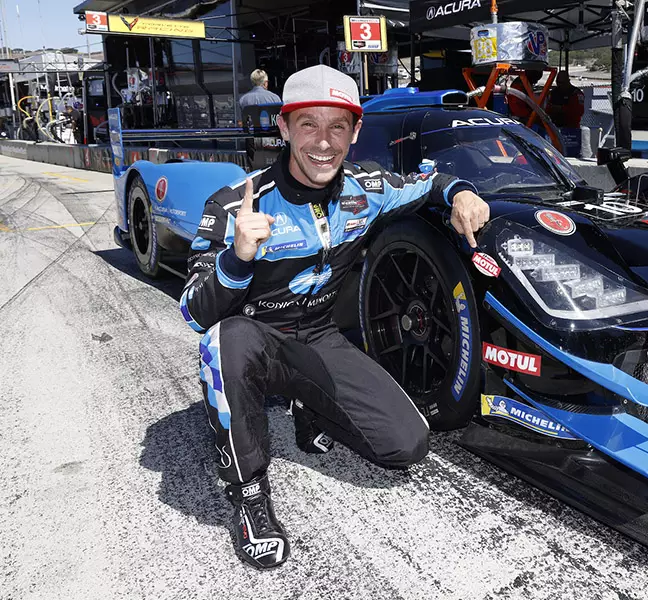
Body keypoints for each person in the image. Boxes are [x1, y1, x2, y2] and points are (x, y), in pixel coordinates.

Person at [181, 65, 490, 570]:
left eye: (337, 127)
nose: (323, 143)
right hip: (252, 338)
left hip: (318, 337)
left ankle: (308, 407)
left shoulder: (368, 188)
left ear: (355, 131)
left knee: (407, 446)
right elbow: (193, 312)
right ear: (283, 128)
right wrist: (237, 257)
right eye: (308, 125)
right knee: (223, 339)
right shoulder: (237, 203)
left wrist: (460, 193)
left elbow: (429, 181)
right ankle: (248, 494)